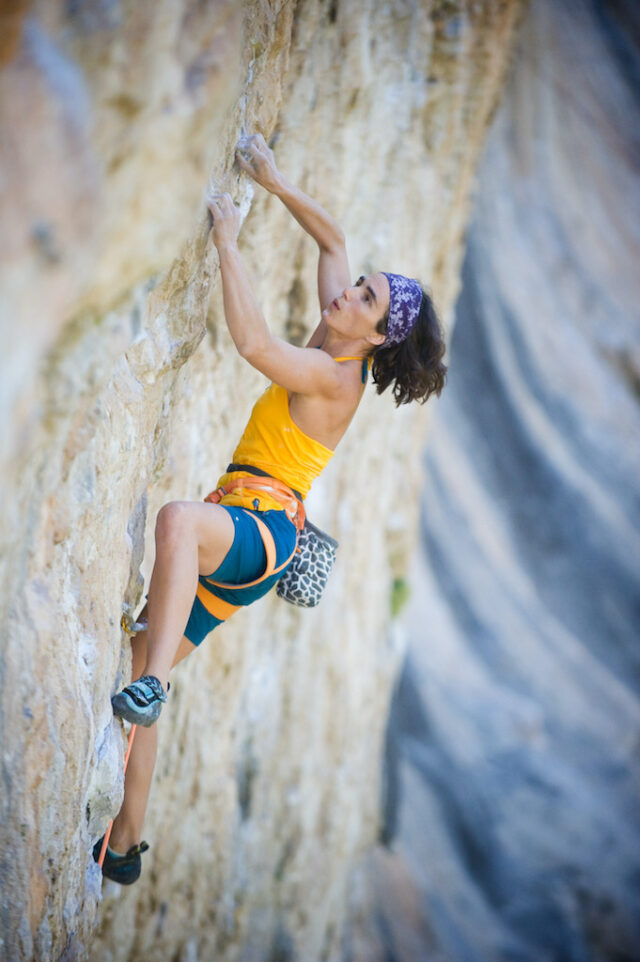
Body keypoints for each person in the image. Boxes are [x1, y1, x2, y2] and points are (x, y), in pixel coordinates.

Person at [94, 133, 447, 884]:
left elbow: (254, 342)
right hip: (255, 538)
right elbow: (334, 237)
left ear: (378, 335)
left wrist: (228, 237)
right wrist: (279, 184)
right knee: (135, 674)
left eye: (365, 298)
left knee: (177, 523)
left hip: (258, 532)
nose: (347, 291)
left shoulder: (331, 377)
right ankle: (125, 845)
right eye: (358, 284)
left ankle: (151, 685)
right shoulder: (338, 333)